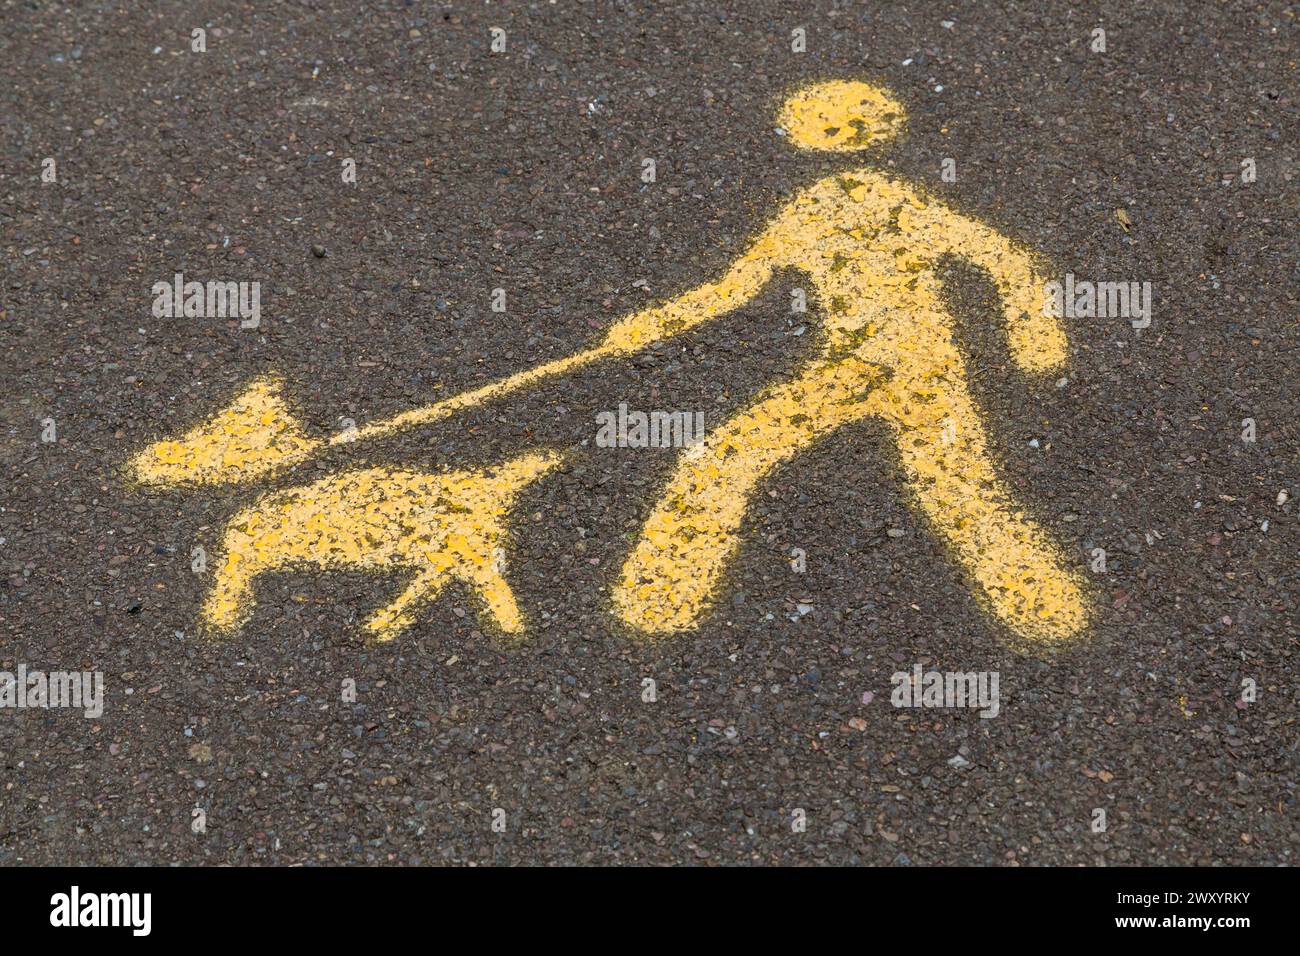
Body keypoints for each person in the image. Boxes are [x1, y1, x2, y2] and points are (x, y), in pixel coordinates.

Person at [604, 80, 1088, 644]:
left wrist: (1035, 336)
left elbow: (998, 258)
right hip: (865, 367)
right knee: (950, 485)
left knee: (948, 485)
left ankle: (662, 590)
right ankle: (663, 591)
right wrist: (656, 323)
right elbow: (737, 286)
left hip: (912, 367)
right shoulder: (814, 208)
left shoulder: (888, 201)